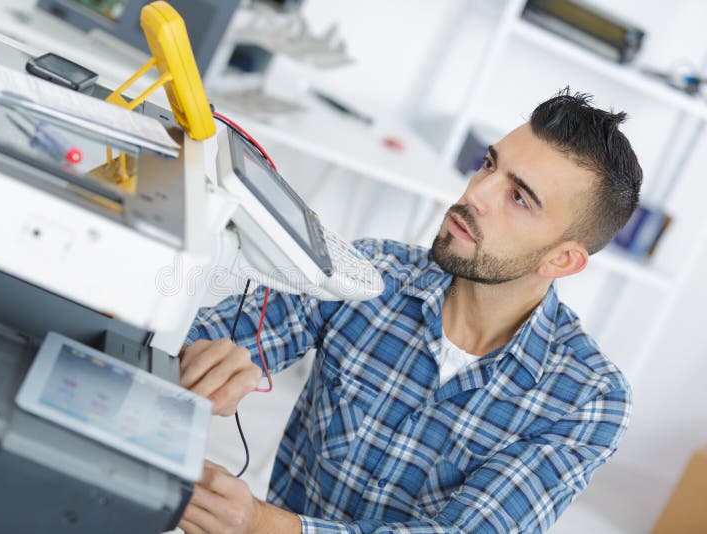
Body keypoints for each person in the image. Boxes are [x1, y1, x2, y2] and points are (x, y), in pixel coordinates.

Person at [176, 89, 642, 533]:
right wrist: (201, 362)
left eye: (519, 197)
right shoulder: (371, 273)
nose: (475, 195)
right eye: (488, 165)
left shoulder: (588, 398)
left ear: (561, 260)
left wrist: (260, 526)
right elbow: (196, 336)